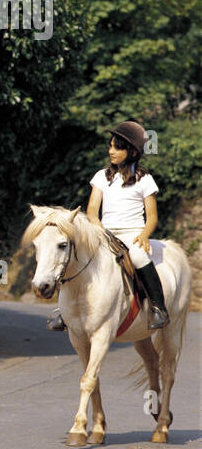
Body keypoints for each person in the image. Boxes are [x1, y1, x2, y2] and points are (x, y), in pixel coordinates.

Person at [48, 120, 170, 332]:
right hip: (105, 231)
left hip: (132, 233)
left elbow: (152, 217)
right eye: (110, 146)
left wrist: (144, 235)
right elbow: (93, 210)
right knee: (77, 255)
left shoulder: (145, 179)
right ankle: (63, 311)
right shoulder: (101, 177)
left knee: (140, 257)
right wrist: (99, 231)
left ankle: (158, 308)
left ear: (132, 152)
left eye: (117, 147)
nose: (111, 151)